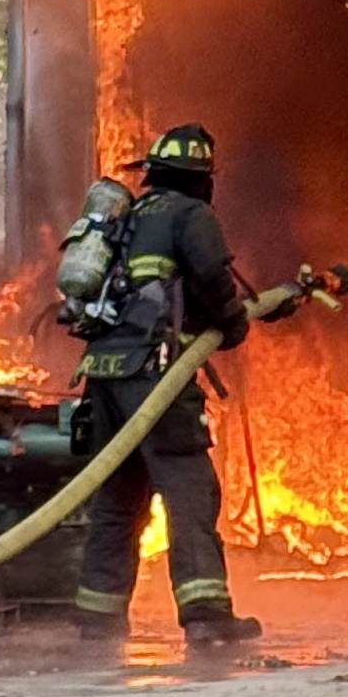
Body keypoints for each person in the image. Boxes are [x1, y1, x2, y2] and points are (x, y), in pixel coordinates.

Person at [73, 122, 260, 647]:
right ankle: (206, 617)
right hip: (155, 375)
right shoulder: (191, 214)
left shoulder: (127, 217)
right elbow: (213, 281)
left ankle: (98, 621)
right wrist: (234, 324)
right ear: (200, 179)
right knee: (189, 490)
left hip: (103, 379)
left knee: (118, 498)